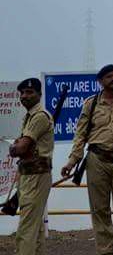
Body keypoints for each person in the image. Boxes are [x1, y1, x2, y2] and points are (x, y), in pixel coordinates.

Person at [61, 65, 113, 255]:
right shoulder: (90, 104)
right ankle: (105, 250)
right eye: (109, 76)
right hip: (97, 161)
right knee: (100, 210)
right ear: (100, 81)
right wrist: (71, 162)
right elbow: (80, 135)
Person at [8, 78, 53, 255]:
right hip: (29, 175)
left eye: (29, 92)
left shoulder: (39, 116)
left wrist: (15, 147)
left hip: (36, 175)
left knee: (26, 231)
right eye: (22, 93)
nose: (24, 96)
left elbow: (21, 147)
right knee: (37, 230)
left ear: (39, 95)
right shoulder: (30, 117)